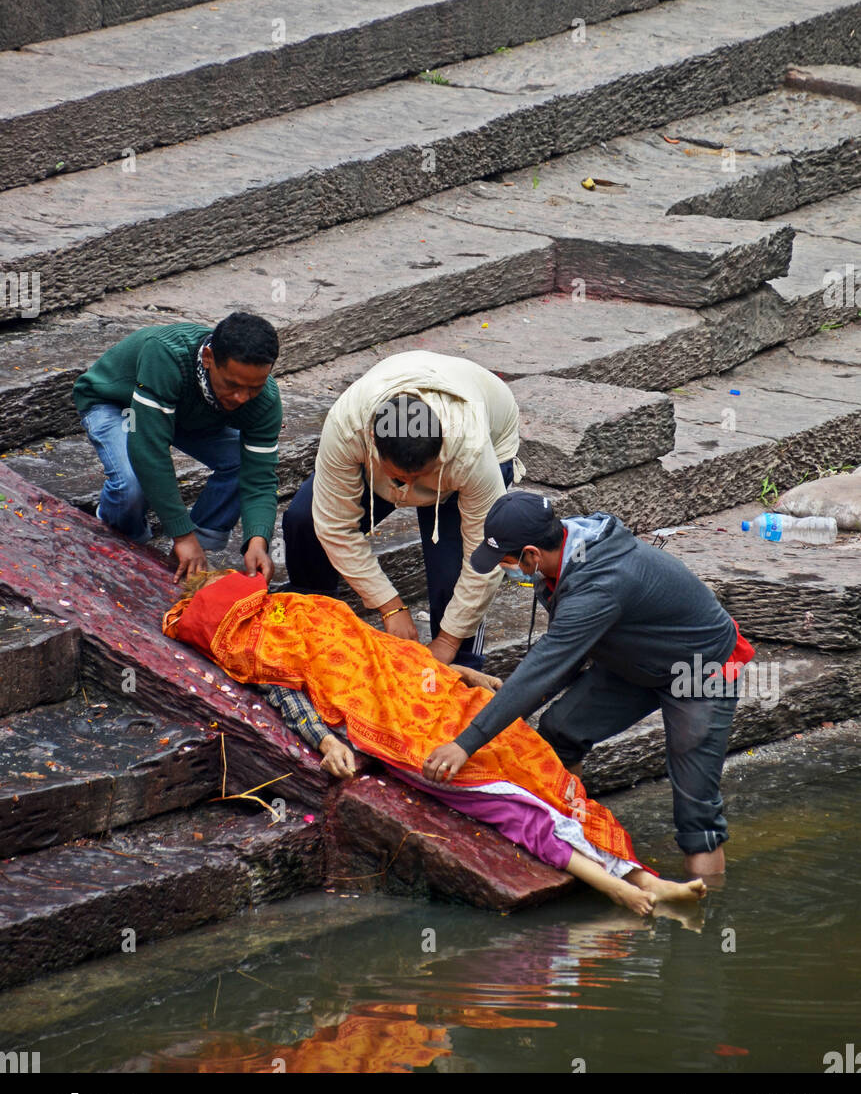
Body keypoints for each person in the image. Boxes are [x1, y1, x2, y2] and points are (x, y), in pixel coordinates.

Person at [163, 567, 708, 914]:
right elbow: (292, 699)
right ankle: (617, 885)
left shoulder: (305, 609)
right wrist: (326, 744)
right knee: (508, 800)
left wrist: (465, 676)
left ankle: (643, 877)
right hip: (399, 728)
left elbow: (383, 648)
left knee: (534, 763)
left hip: (427, 695)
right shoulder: (278, 628)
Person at [423, 491, 755, 879]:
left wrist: (466, 743)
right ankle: (569, 830)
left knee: (697, 816)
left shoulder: (599, 582)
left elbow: (546, 666)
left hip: (701, 668)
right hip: (634, 660)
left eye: (507, 561)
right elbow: (559, 662)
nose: (505, 569)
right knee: (561, 729)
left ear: (531, 554)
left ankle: (706, 917)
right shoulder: (561, 555)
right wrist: (504, 715)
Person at [281, 351, 524, 670]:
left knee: (452, 574)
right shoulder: (348, 425)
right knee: (304, 520)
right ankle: (315, 608)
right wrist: (390, 606)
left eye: (418, 476)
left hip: (487, 432)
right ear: (372, 440)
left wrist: (448, 641)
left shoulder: (471, 451)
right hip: (396, 433)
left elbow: (484, 555)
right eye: (400, 478)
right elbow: (334, 525)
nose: (409, 487)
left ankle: (462, 669)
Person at [73, 313, 282, 583]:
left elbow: (260, 478)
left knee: (240, 462)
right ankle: (123, 539)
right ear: (208, 358)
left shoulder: (264, 400)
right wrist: (181, 533)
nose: (242, 397)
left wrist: (258, 541)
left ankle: (193, 551)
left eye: (254, 387)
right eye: (232, 385)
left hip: (180, 413)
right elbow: (148, 449)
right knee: (131, 485)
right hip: (118, 404)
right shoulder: (166, 355)